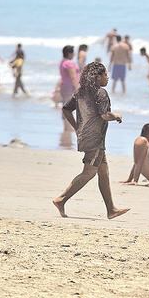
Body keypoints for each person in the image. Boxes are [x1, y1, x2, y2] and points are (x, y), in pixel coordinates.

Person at [52, 62, 129, 219]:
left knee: (103, 172)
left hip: (88, 137)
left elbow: (66, 109)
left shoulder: (81, 92)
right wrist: (116, 116)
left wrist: (76, 127)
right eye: (106, 75)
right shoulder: (101, 93)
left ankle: (111, 210)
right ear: (98, 76)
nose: (108, 78)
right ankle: (61, 199)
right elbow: (104, 115)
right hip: (94, 139)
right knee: (89, 172)